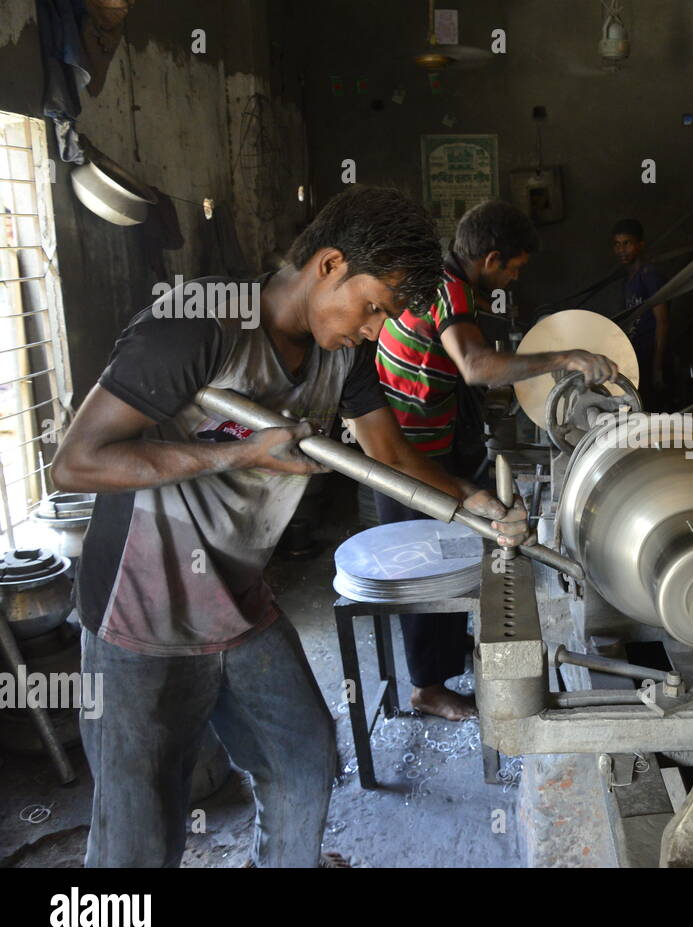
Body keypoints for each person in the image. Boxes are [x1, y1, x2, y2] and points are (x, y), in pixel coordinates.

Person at [52, 186, 529, 867]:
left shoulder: (343, 355)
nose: (374, 330)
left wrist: (471, 500)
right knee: (139, 826)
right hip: (140, 609)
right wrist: (241, 452)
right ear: (330, 264)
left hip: (239, 596)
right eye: (373, 308)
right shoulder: (198, 323)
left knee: (303, 761)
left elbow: (387, 453)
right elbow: (75, 461)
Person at [375, 198, 618, 719]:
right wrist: (564, 357)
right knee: (425, 566)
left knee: (452, 549)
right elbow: (478, 367)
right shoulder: (447, 288)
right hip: (403, 454)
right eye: (512, 268)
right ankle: (427, 688)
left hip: (429, 440)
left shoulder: (445, 281)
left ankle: (443, 651)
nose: (512, 280)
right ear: (490, 259)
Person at [612, 218, 670, 406]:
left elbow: (662, 322)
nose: (621, 250)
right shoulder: (629, 279)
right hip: (637, 358)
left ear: (640, 245)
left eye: (627, 243)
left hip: (651, 357)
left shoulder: (649, 275)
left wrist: (657, 366)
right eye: (617, 244)